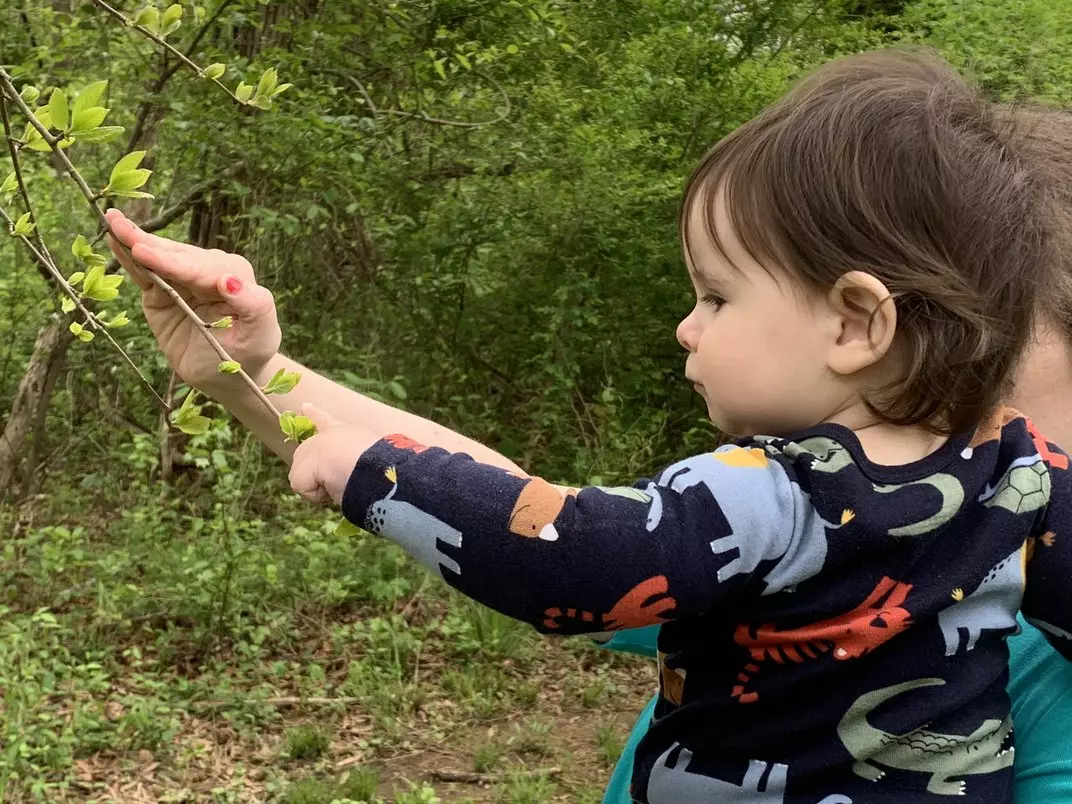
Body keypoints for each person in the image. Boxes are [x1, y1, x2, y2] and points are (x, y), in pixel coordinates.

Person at [107, 49, 1072, 803]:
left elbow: (574, 557)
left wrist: (380, 477)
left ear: (858, 322)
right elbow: (543, 508)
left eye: (716, 297)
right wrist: (256, 375)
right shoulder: (1022, 478)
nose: (686, 328)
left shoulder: (775, 493)